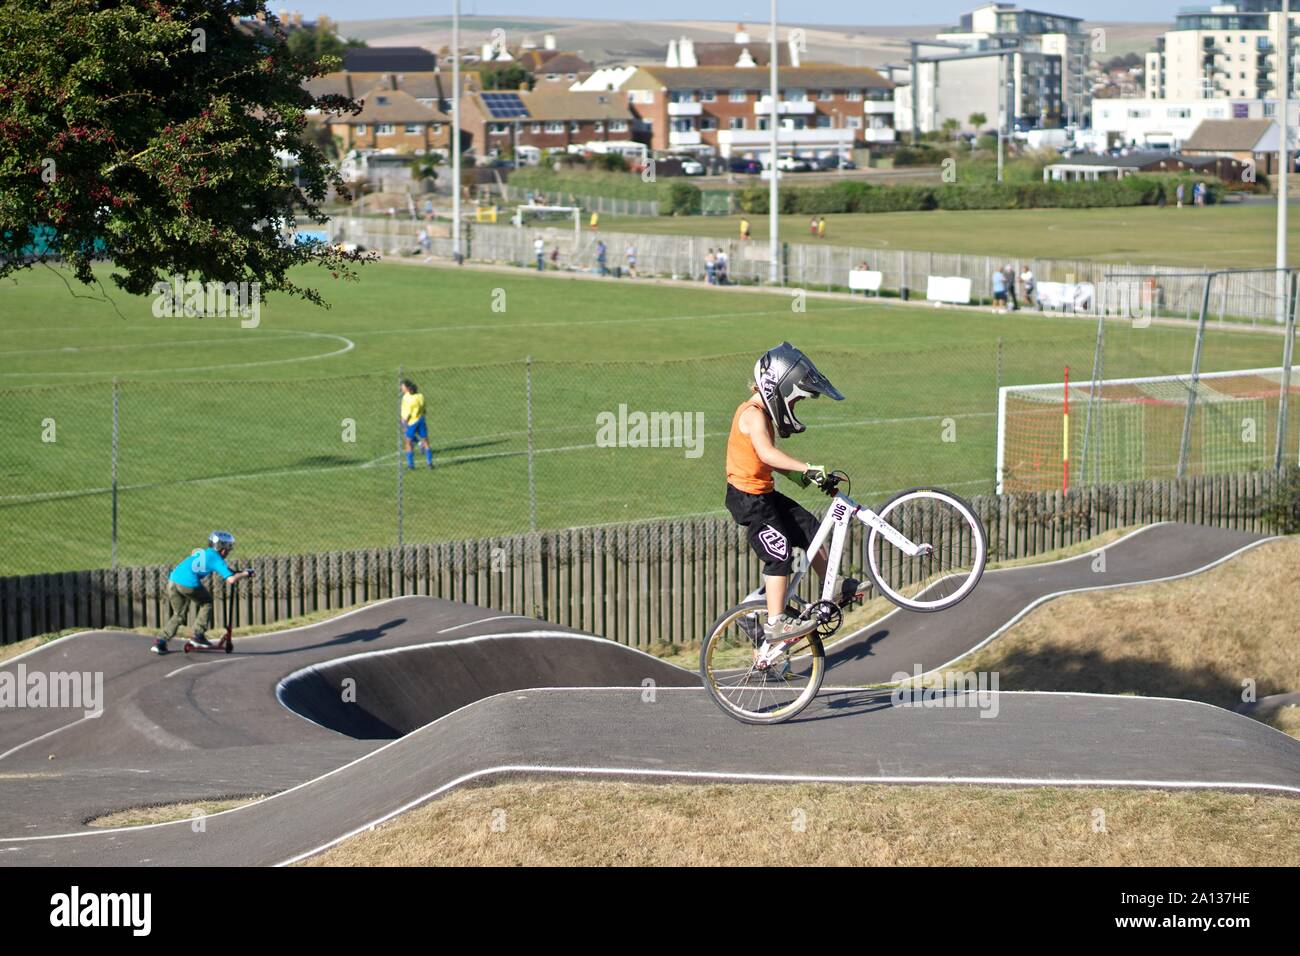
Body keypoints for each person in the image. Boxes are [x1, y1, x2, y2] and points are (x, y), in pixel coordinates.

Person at [725, 343, 858, 645]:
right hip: (748, 501)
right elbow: (768, 454)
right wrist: (809, 468)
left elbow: (772, 462)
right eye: (794, 401)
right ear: (780, 388)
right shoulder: (752, 415)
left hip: (764, 493)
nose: (793, 408)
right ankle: (774, 622)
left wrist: (809, 478)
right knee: (780, 554)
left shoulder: (764, 416)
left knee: (812, 528)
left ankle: (832, 584)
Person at [153, 532, 255, 654]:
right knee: (207, 602)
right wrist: (246, 574)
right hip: (188, 583)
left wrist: (239, 572)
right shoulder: (217, 558)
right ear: (222, 550)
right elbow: (231, 580)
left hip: (173, 581)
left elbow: (224, 570)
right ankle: (198, 635)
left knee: (179, 614)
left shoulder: (205, 553)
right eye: (228, 549)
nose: (228, 552)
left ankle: (161, 642)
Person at [400, 379, 434, 470]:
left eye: (403, 387)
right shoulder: (420, 396)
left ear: (408, 389)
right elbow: (424, 409)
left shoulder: (409, 400)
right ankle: (429, 463)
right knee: (426, 441)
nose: (401, 388)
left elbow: (407, 415)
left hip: (412, 422)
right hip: (421, 420)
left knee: (408, 442)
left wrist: (404, 424)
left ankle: (410, 465)